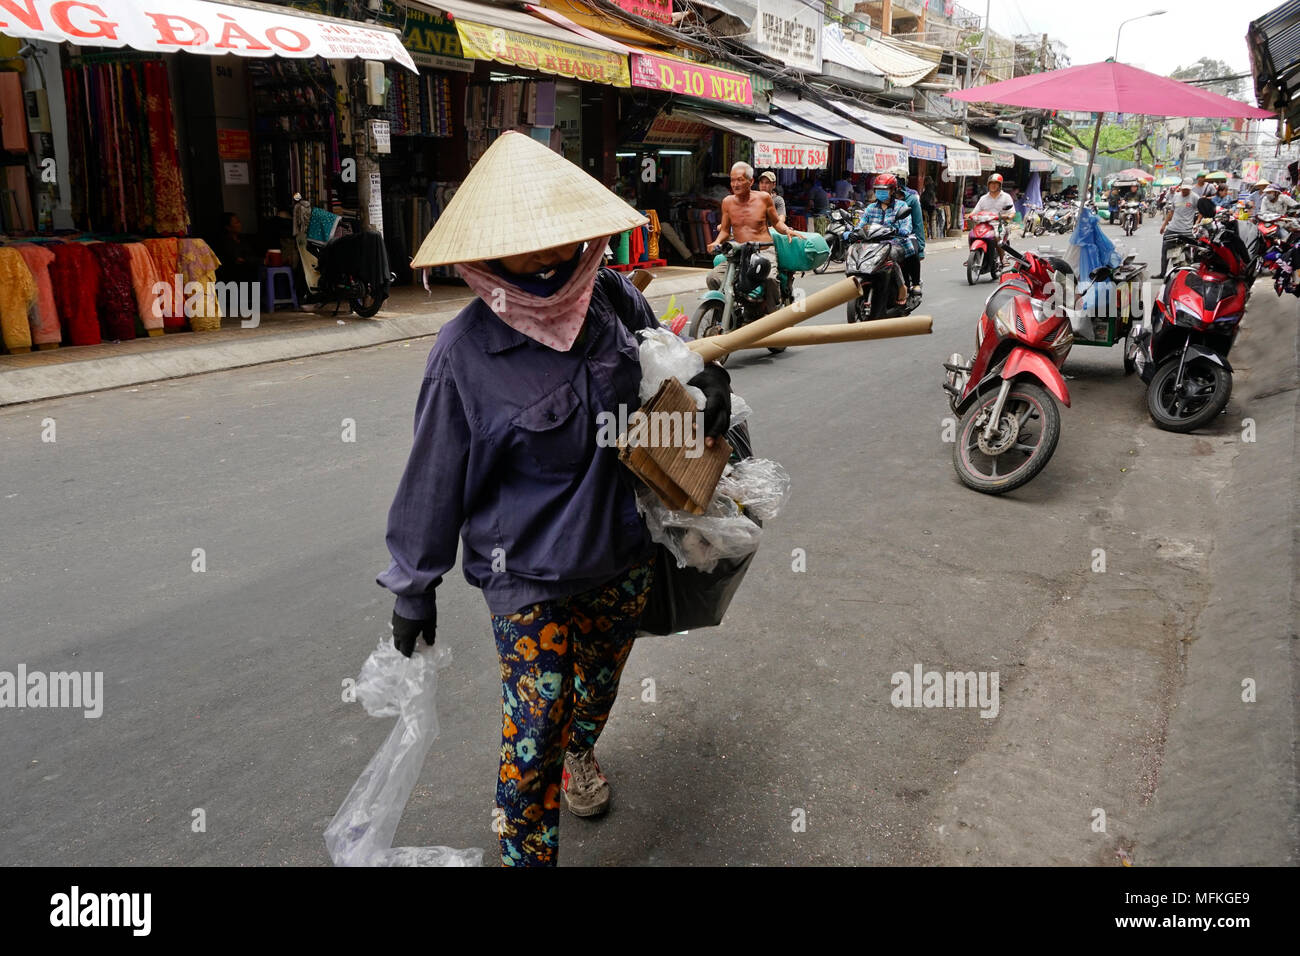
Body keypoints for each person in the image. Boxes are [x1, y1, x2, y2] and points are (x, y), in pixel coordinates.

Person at [379, 131, 733, 868]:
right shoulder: (463, 354)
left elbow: (659, 371)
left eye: (558, 240)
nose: (547, 259)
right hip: (529, 575)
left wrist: (702, 390)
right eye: (524, 247)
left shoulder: (608, 296)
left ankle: (584, 751)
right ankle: (526, 852)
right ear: (485, 254)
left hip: (623, 551)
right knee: (534, 727)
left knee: (595, 692)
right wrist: (414, 586)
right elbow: (432, 478)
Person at [707, 161, 803, 314]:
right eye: (732, 180)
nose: (735, 184)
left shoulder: (764, 198)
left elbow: (777, 222)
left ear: (751, 181)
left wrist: (787, 231)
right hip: (739, 252)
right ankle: (728, 312)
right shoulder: (727, 202)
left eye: (740, 180)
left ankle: (774, 318)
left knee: (771, 280)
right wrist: (716, 242)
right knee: (713, 277)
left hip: (763, 251)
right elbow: (725, 231)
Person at [858, 172, 917, 307]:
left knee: (890, 258)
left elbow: (907, 224)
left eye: (884, 190)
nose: (881, 193)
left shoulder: (901, 206)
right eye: (878, 190)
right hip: (873, 244)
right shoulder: (870, 208)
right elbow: (861, 225)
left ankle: (902, 288)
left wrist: (903, 230)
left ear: (892, 190)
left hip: (895, 243)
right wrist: (852, 232)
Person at [971, 173, 1015, 269]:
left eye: (996, 183)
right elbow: (975, 212)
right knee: (972, 234)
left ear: (1000, 185)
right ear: (988, 185)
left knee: (996, 235)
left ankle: (1003, 258)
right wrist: (970, 216)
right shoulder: (983, 198)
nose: (993, 185)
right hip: (984, 223)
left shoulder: (1006, 197)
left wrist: (1007, 216)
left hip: (999, 224)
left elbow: (1012, 213)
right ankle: (972, 256)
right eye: (991, 183)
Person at [892, 166, 925, 293]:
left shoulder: (911, 200)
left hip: (906, 235)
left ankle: (915, 283)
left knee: (911, 251)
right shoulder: (882, 201)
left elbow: (918, 224)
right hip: (886, 236)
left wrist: (921, 248)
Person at [1158, 178, 1200, 278]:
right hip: (1172, 228)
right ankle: (1162, 273)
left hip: (1186, 230)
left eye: (1187, 189)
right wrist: (1164, 225)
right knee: (1165, 250)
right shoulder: (1176, 196)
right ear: (1181, 187)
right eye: (1184, 188)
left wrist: (1197, 223)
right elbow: (1171, 212)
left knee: (1189, 252)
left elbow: (1201, 211)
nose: (1185, 191)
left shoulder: (1195, 198)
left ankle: (1188, 274)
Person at [212, 212, 258, 285]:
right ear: (228, 227)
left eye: (239, 221)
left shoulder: (243, 239)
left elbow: (250, 255)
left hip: (248, 272)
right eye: (236, 222)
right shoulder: (224, 242)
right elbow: (237, 259)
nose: (240, 224)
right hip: (232, 277)